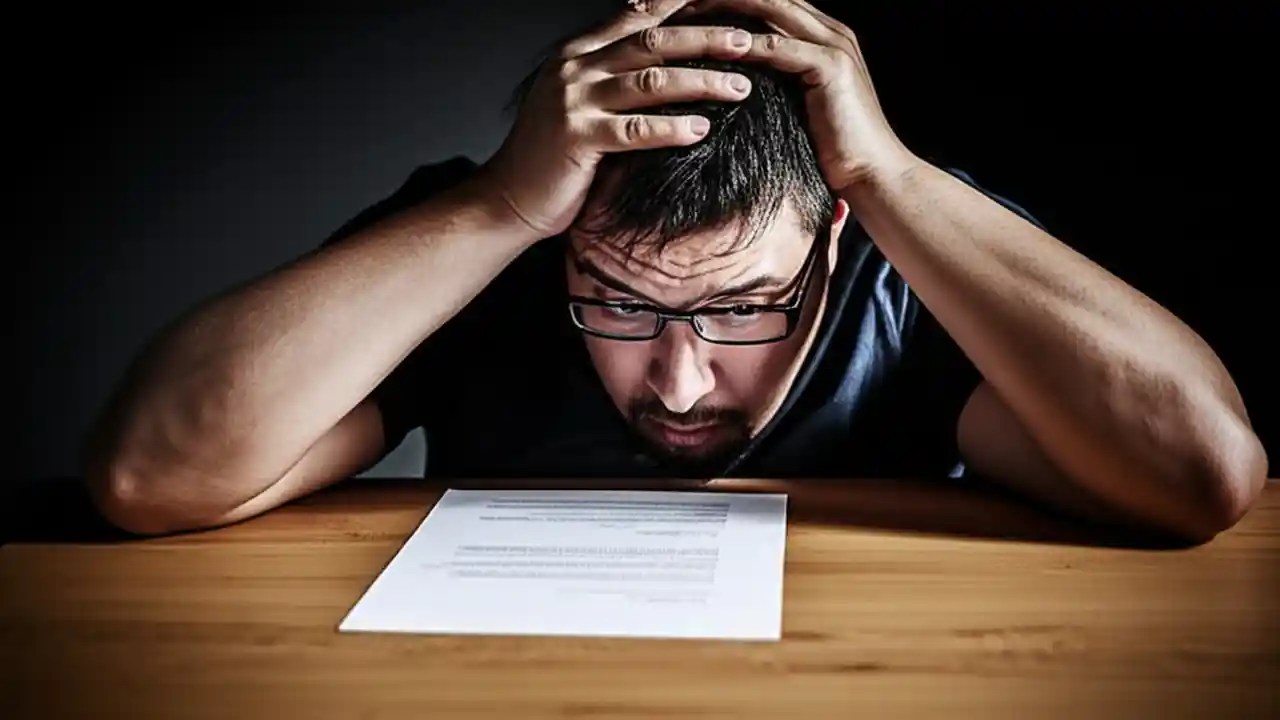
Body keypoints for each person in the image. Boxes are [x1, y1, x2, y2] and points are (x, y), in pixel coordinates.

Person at [83, 0, 1267, 543]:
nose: (682, 384)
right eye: (617, 301)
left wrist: (892, 178)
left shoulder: (910, 273)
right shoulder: (488, 257)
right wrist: (496, 206)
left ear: (836, 239)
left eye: (744, 305)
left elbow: (1197, 478)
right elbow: (151, 476)